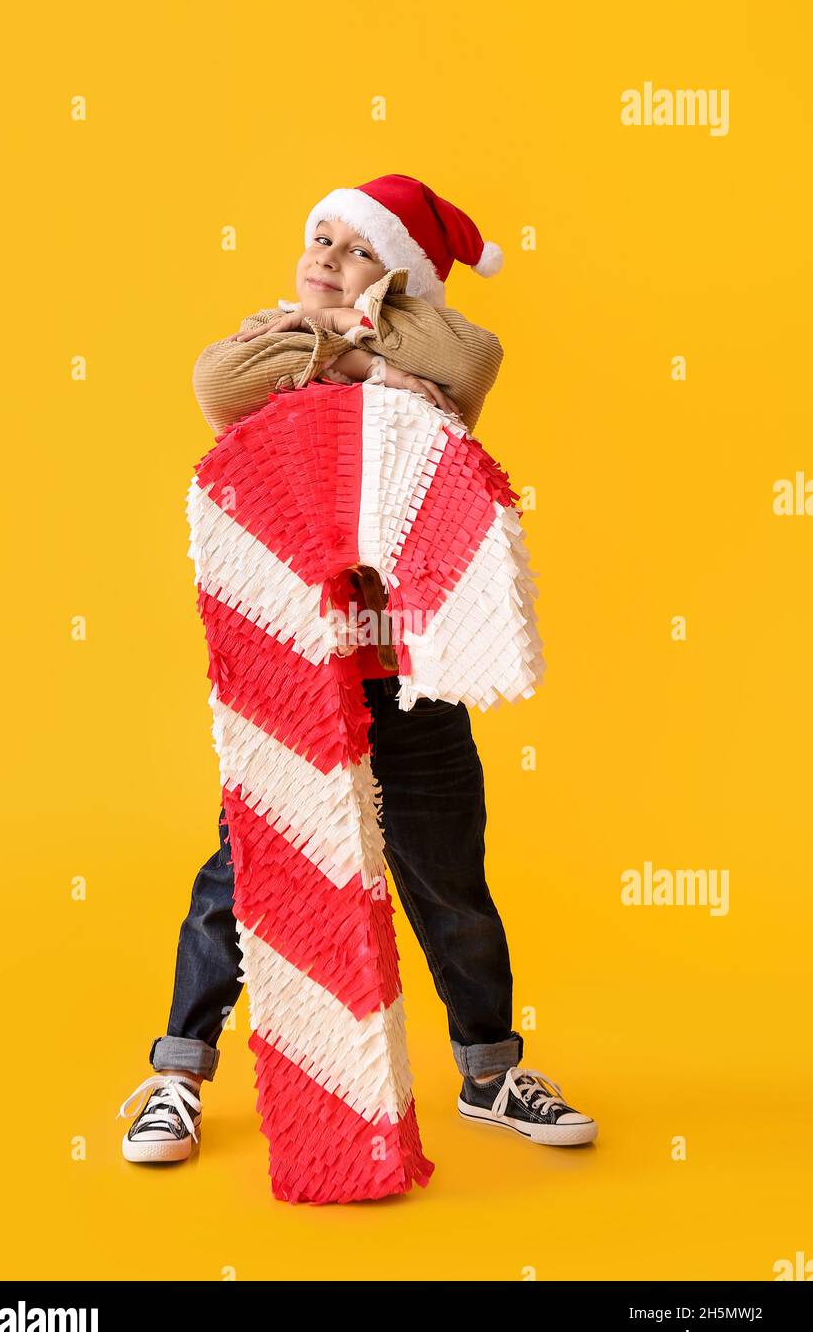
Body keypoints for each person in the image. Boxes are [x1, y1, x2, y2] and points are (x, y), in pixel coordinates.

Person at [118, 174, 598, 1163]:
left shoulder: (426, 352)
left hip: (406, 680)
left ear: (402, 283)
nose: (329, 258)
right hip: (297, 675)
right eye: (319, 240)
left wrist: (375, 320)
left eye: (357, 249)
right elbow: (219, 384)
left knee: (448, 878)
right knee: (241, 873)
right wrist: (329, 334)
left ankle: (488, 1069)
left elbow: (470, 357)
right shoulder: (287, 346)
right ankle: (175, 1072)